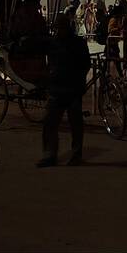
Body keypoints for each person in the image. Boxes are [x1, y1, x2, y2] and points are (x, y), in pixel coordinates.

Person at [38, 14, 91, 167]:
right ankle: (49, 154)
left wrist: (77, 79)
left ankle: (76, 154)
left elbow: (85, 64)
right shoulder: (53, 43)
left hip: (72, 88)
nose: (58, 30)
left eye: (61, 27)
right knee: (50, 122)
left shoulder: (77, 43)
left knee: (75, 122)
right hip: (57, 88)